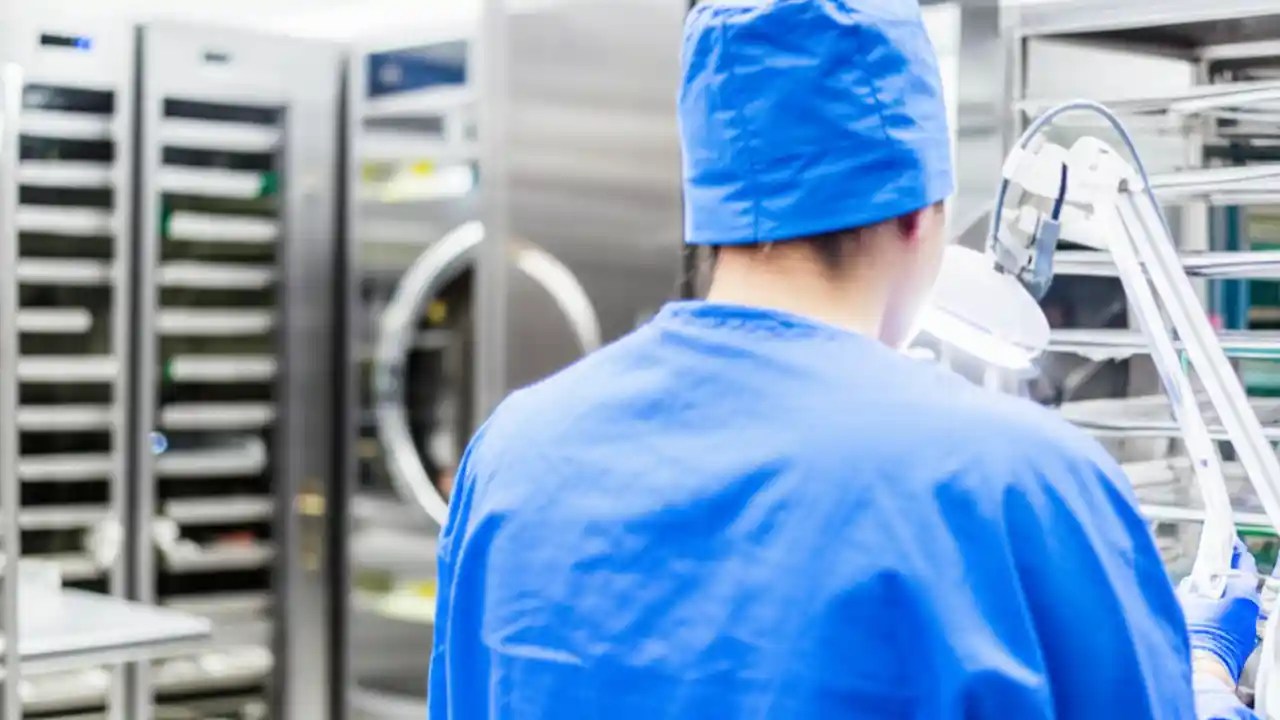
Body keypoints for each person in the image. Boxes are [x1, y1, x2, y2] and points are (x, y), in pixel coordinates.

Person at [429, 1, 1265, 718]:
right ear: (920, 215)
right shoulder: (1021, 483)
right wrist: (1203, 674)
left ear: (713, 211)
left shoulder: (512, 456)